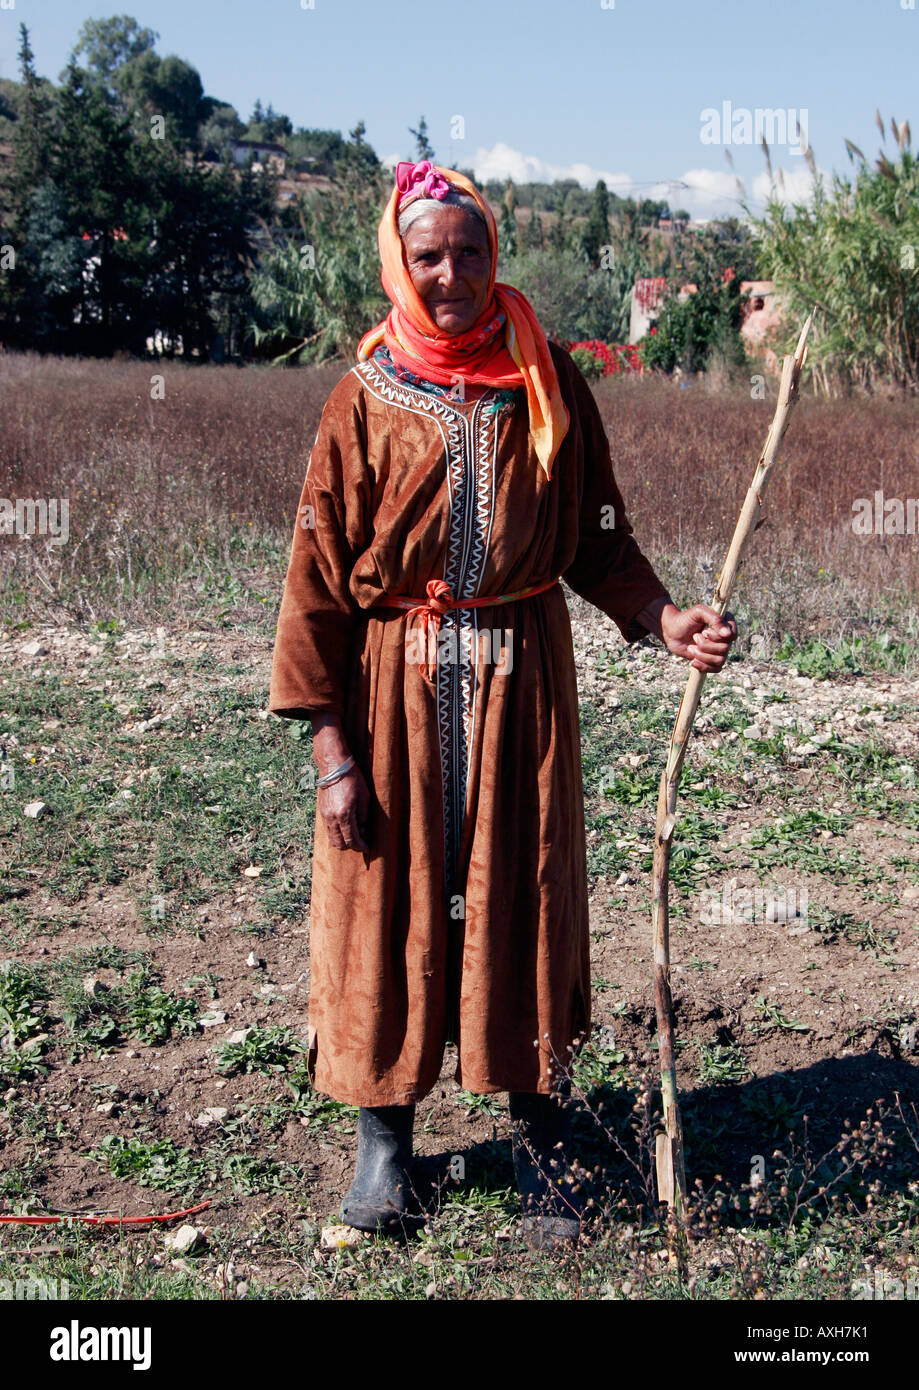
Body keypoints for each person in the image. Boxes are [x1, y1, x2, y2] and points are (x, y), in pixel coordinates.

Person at [268, 159, 737, 1247]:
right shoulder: (362, 397)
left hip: (523, 682)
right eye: (426, 255)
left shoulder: (547, 379)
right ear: (399, 260)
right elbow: (316, 582)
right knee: (388, 903)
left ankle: (538, 1133)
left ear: (495, 256)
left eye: (468, 252)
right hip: (393, 690)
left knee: (524, 896)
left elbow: (595, 532)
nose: (450, 276)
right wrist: (333, 753)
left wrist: (661, 617)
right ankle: (386, 1144)